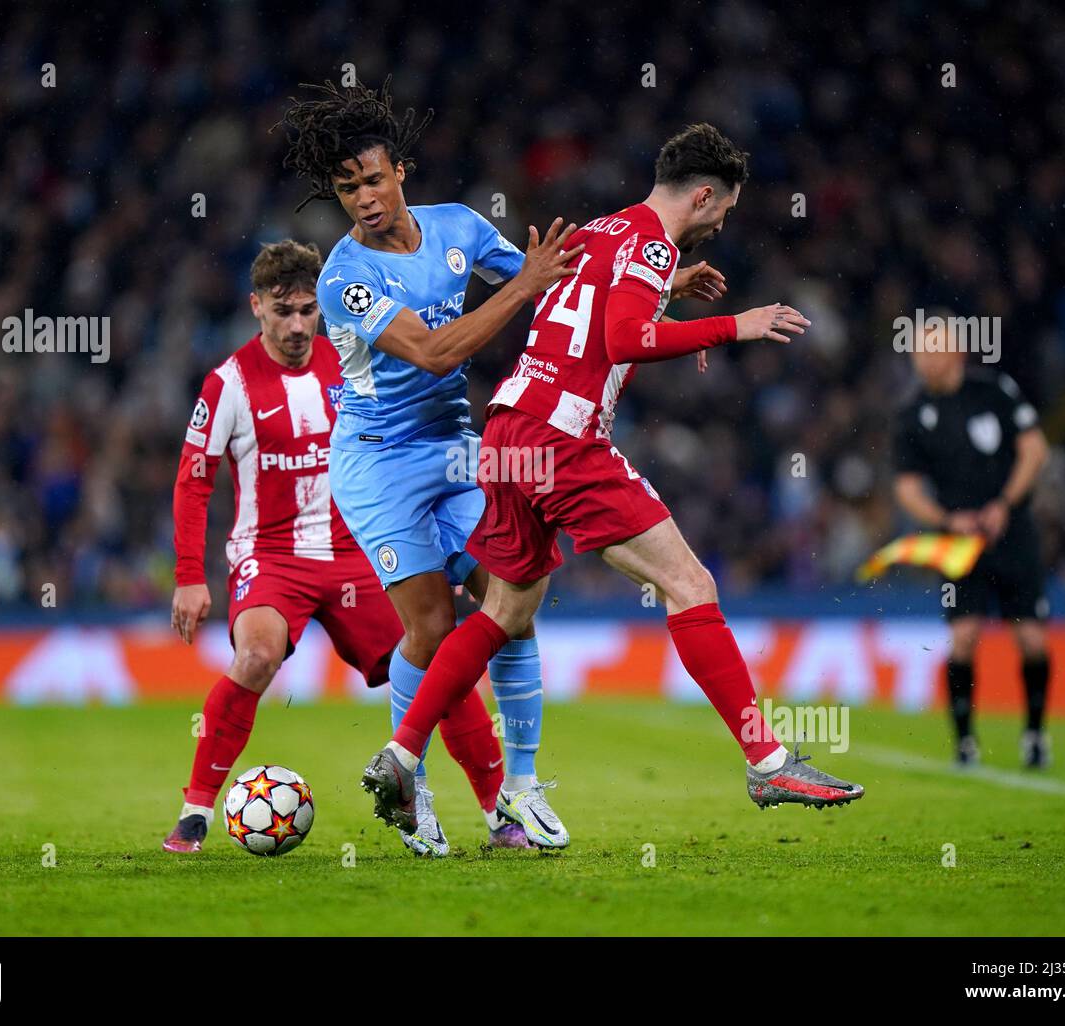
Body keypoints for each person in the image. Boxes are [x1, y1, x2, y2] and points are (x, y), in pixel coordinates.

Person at [360, 123, 865, 834]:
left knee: (505, 611)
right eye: (724, 208)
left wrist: (670, 290)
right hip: (564, 439)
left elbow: (591, 306)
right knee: (691, 586)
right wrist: (731, 325)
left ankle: (401, 755)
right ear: (701, 195)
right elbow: (623, 337)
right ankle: (768, 761)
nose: (723, 222)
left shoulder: (603, 230)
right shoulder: (654, 244)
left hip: (507, 432)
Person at [282, 77, 583, 850]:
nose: (364, 198)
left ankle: (521, 789)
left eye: (374, 179)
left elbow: (557, 284)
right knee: (433, 623)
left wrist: (662, 288)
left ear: (401, 172)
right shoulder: (342, 276)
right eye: (348, 188)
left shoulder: (460, 227)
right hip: (378, 465)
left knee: (510, 603)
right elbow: (435, 348)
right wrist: (522, 287)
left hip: (454, 456)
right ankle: (410, 790)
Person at [162, 240, 515, 854]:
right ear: (256, 308)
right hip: (272, 558)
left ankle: (499, 813)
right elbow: (194, 480)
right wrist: (190, 574)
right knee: (256, 657)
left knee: (436, 658)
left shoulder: (354, 364)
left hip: (359, 554)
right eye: (283, 312)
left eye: (307, 311)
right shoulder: (229, 384)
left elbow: (408, 444)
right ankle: (195, 814)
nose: (298, 325)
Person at [893, 319, 1052, 767]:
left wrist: (1004, 503)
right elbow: (906, 489)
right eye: (917, 353)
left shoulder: (994, 391)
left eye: (931, 351)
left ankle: (1036, 734)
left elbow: (1035, 449)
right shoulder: (912, 414)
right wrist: (948, 519)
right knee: (962, 639)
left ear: (956, 353)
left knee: (1032, 640)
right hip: (960, 546)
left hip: (1013, 535)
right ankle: (964, 740)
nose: (921, 360)